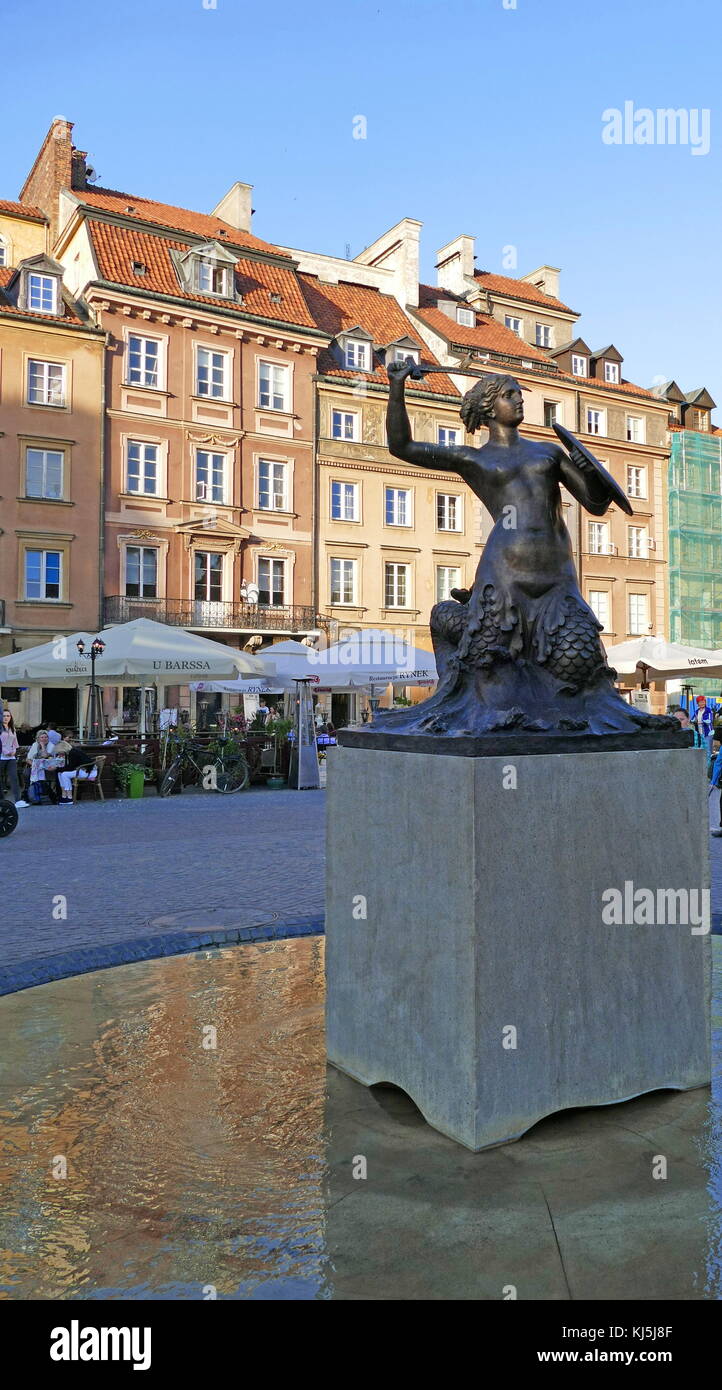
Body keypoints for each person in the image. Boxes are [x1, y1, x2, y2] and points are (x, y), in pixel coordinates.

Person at [57, 737, 98, 803]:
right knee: (60, 773)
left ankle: (69, 797)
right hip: (86, 770)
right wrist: (59, 770)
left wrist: (57, 769)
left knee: (64, 774)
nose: (59, 753)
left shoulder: (72, 753)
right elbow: (71, 767)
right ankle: (64, 795)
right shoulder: (73, 751)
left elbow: (70, 767)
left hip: (88, 772)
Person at [1, 709, 27, 807]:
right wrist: (5, 752)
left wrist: (14, 751)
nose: (6, 717)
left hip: (11, 758)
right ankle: (2, 801)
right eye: (4, 716)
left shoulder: (12, 729)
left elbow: (15, 743)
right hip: (1, 757)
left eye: (8, 716)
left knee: (14, 778)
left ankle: (18, 801)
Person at [25, 729, 56, 803]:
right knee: (26, 773)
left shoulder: (51, 745)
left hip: (47, 768)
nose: (44, 739)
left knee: (45, 775)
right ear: (38, 738)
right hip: (35, 767)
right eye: (42, 737)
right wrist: (34, 765)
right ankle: (30, 793)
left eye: (46, 737)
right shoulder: (34, 745)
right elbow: (28, 759)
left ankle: (46, 793)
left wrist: (42, 746)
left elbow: (45, 755)